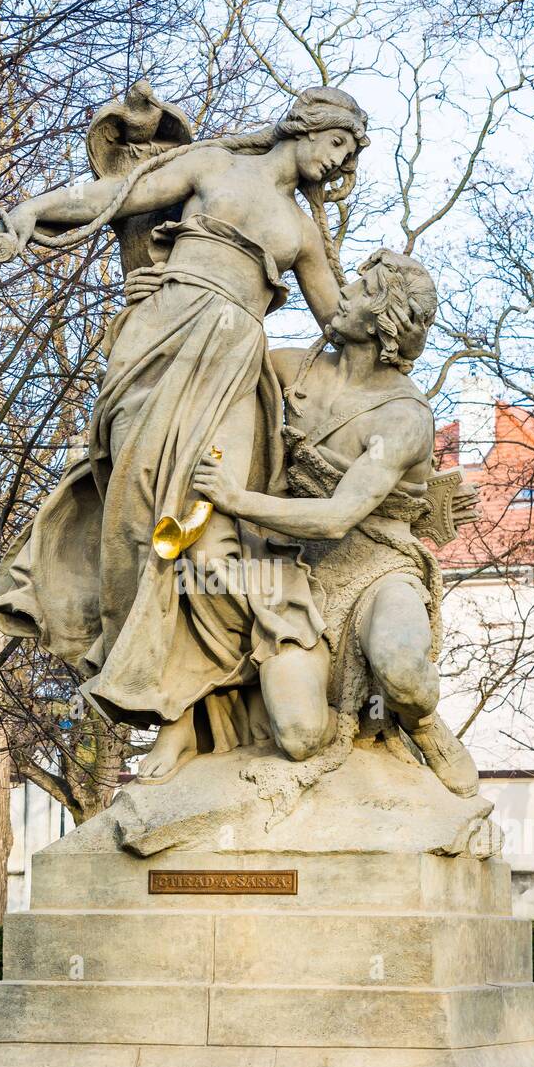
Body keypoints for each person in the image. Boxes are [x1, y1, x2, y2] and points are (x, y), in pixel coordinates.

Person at [0, 88, 370, 781]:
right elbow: (118, 194)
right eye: (338, 142)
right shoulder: (214, 166)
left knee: (200, 530)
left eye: (347, 154)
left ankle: (190, 712)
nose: (338, 163)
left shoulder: (303, 233)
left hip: (232, 370)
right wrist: (34, 208)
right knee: (136, 516)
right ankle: (168, 713)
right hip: (159, 344)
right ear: (306, 127)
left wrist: (396, 316)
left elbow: (343, 326)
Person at [194, 249, 479, 797]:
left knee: (400, 668)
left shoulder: (404, 419)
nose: (344, 291)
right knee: (299, 736)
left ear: (384, 322)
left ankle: (421, 722)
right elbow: (301, 256)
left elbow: (334, 519)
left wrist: (235, 499)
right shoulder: (291, 369)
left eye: (364, 288)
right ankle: (349, 745)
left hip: (378, 570)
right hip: (294, 578)